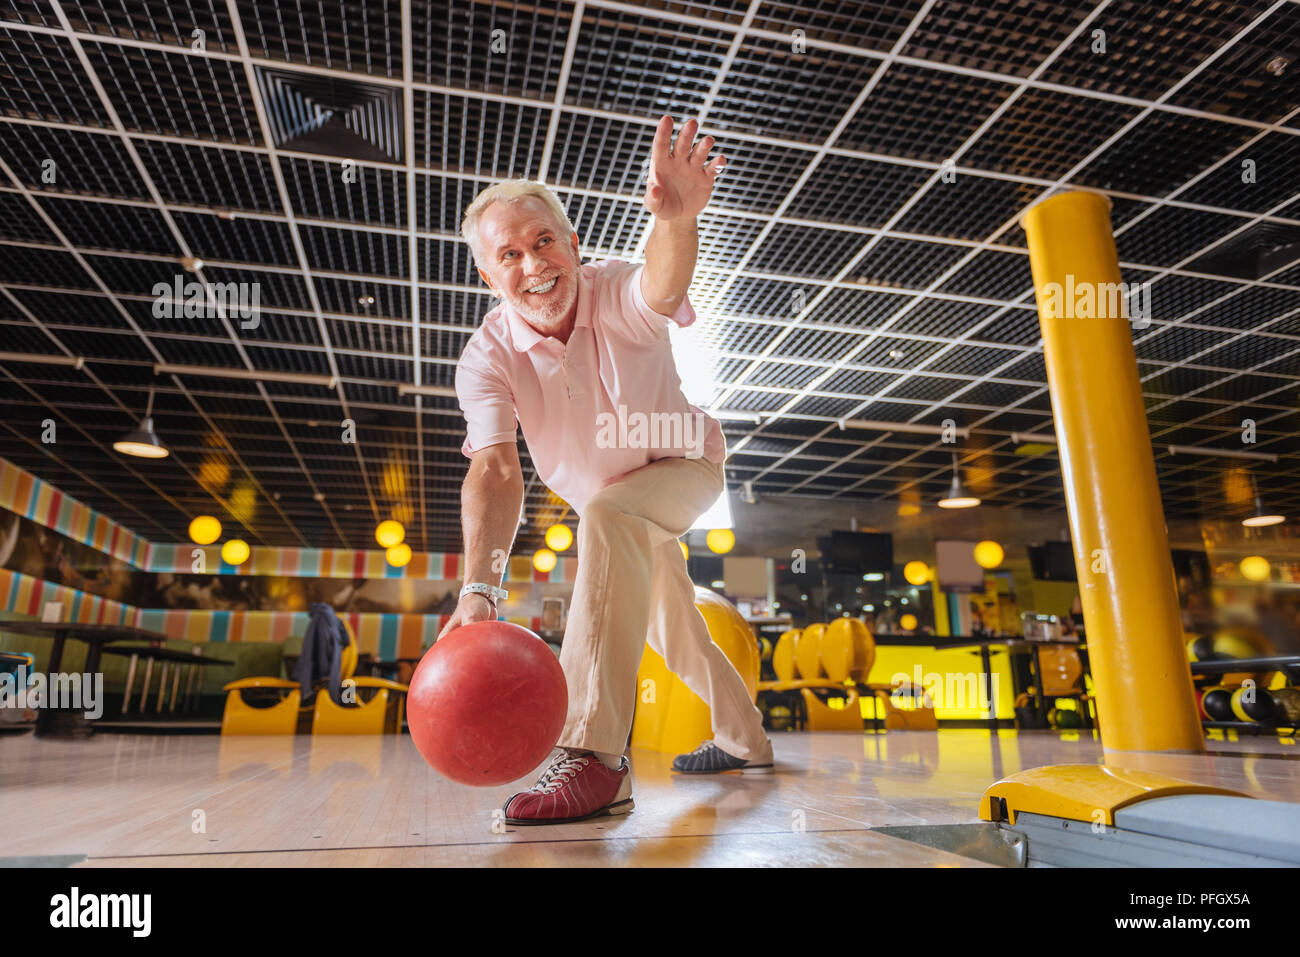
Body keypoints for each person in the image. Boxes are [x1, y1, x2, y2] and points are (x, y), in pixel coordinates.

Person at [444, 116, 773, 825]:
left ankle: (595, 757)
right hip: (620, 508)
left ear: (573, 244)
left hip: (683, 465)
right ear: (487, 274)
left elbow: (659, 281)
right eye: (509, 254)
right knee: (673, 628)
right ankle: (748, 740)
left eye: (543, 241)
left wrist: (678, 221)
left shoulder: (613, 294)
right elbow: (498, 469)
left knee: (608, 514)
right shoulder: (486, 358)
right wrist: (479, 588)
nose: (533, 265)